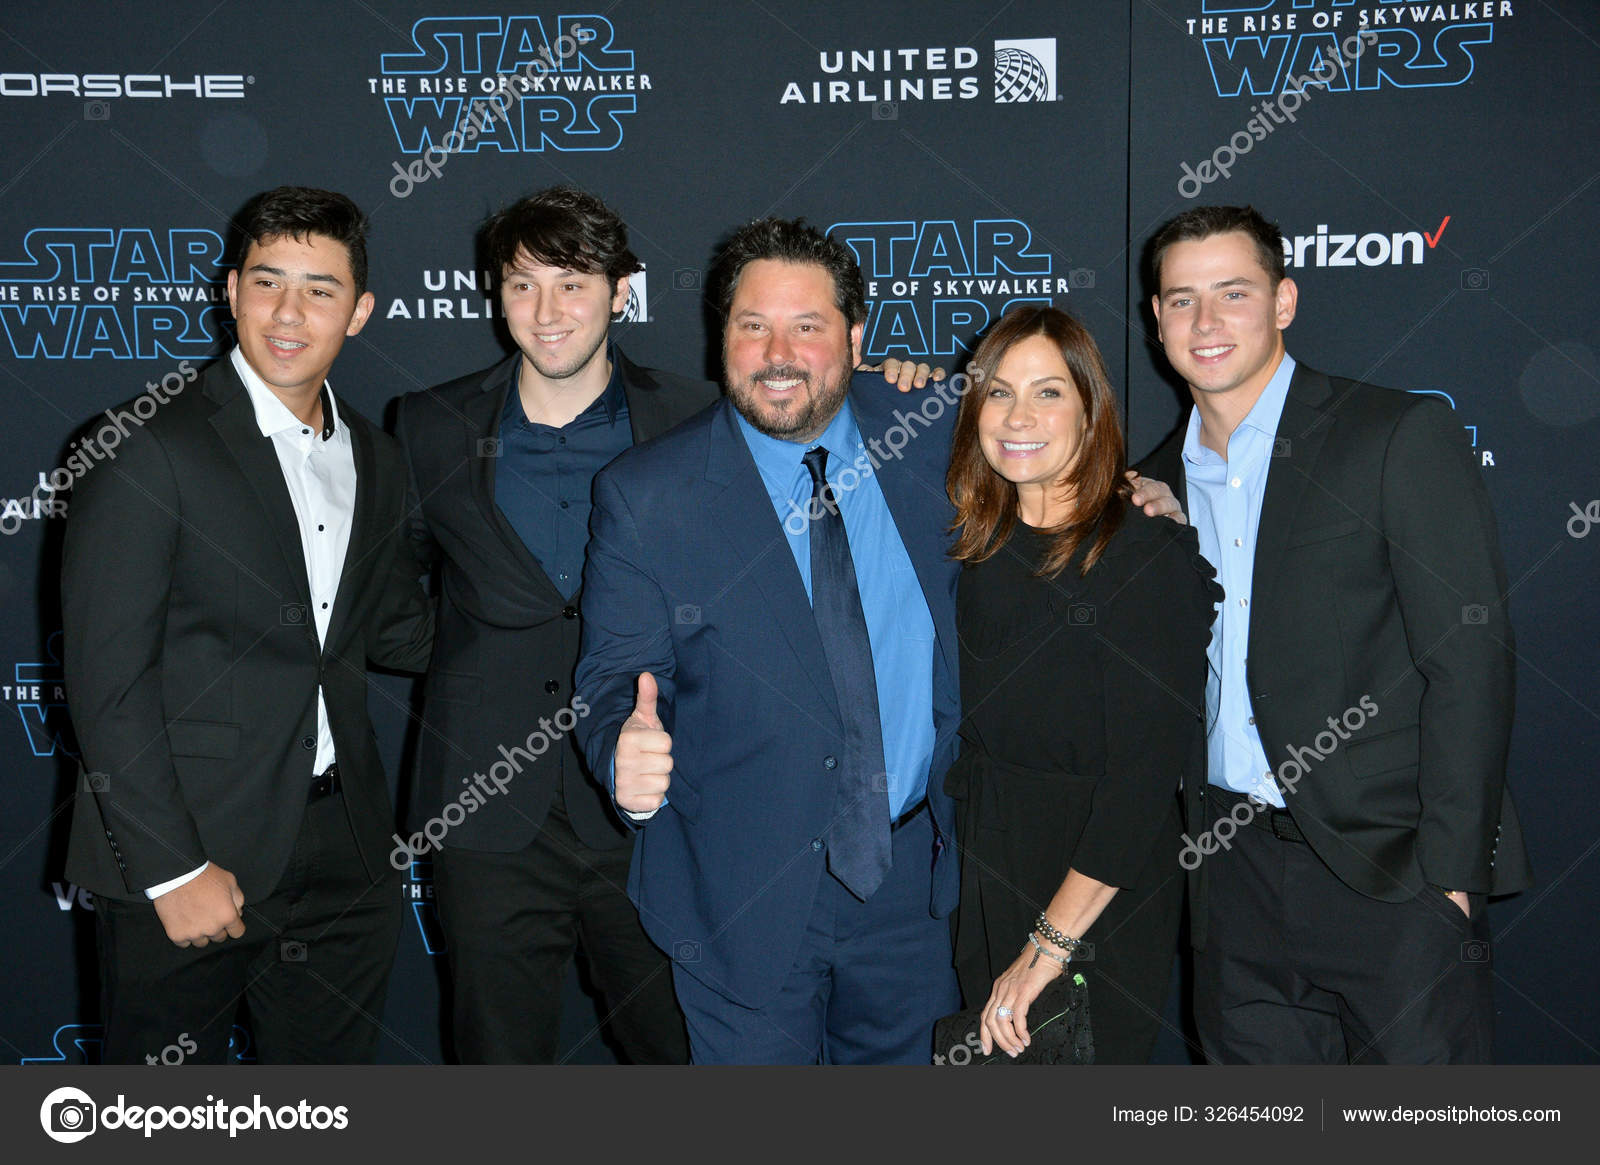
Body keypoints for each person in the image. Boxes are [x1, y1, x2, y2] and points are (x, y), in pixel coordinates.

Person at [395, 188, 940, 1063]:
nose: (547, 310)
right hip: (494, 810)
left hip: (674, 825)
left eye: (572, 283)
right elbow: (390, 594)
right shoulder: (430, 425)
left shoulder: (703, 414)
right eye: (523, 285)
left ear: (621, 292)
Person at [1139, 204, 1532, 1063]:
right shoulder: (1150, 487)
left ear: (1283, 301)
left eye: (1232, 293)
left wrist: (1455, 880)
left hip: (1392, 878)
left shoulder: (1392, 434)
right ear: (1156, 319)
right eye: (1180, 300)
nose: (1205, 323)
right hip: (1230, 879)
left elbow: (1470, 661)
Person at [573, 217, 966, 1064]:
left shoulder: (936, 431)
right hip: (738, 891)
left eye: (807, 326)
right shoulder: (649, 495)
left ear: (857, 338)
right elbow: (613, 677)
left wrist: (1143, 492)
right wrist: (619, 753)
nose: (776, 352)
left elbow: (1062, 470)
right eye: (752, 325)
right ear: (722, 337)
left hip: (912, 891)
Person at [61, 186, 434, 1064]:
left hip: (345, 852)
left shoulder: (374, 457)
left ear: (361, 310)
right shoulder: (144, 444)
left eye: (321, 288)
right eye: (268, 283)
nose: (290, 313)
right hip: (191, 851)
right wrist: (172, 869)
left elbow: (391, 634)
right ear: (230, 292)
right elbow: (106, 684)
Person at [945, 306, 1218, 1063]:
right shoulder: (976, 543)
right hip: (990, 862)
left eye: (1049, 392)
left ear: (1091, 409)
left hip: (1097, 884)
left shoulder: (1145, 555)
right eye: (998, 392)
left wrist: (1047, 947)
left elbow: (1141, 782)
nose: (1019, 416)